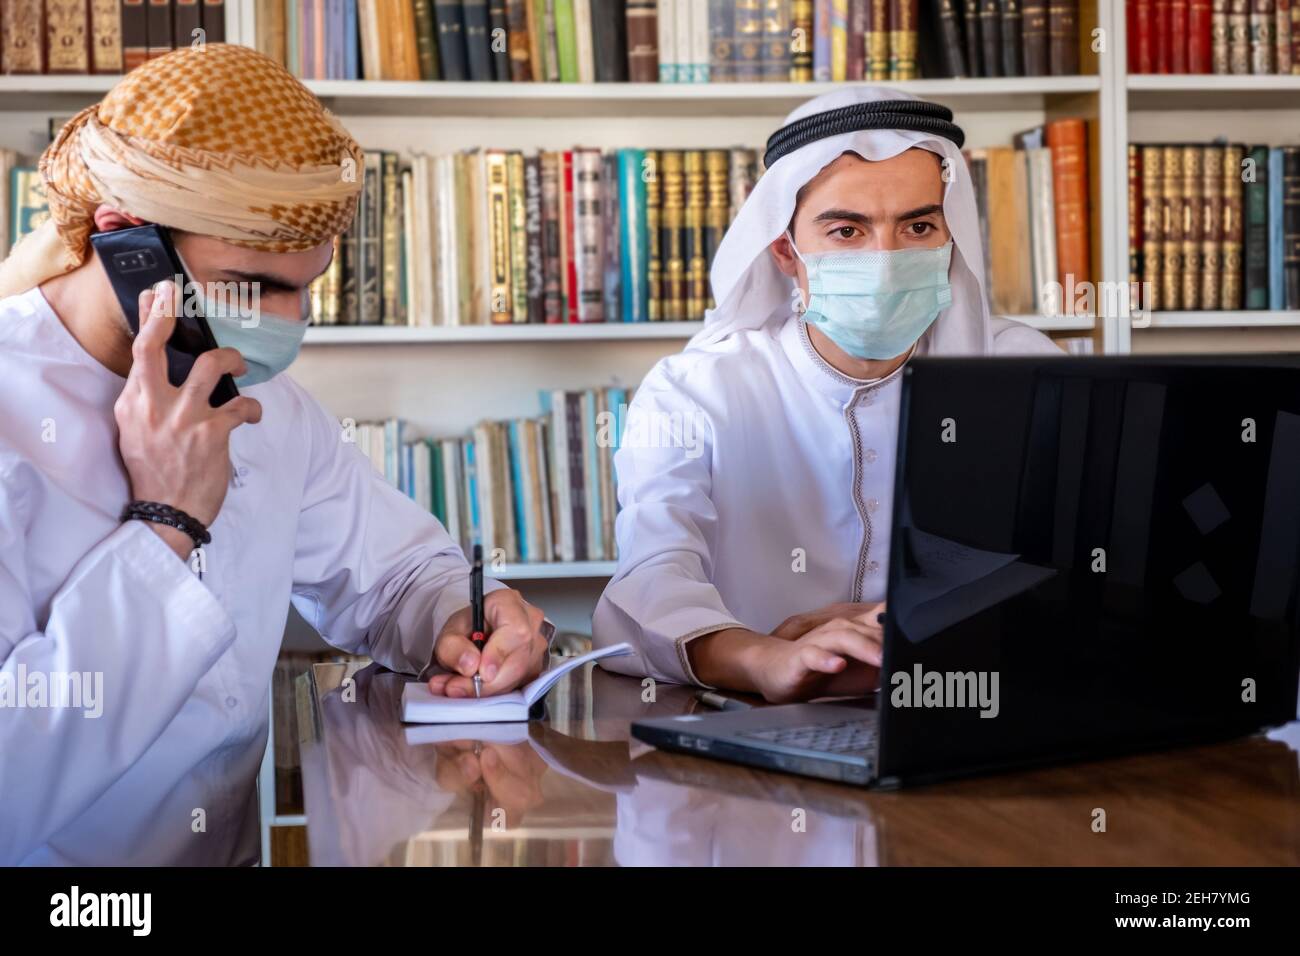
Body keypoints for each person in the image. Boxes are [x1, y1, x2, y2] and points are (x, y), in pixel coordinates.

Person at [0, 44, 550, 865]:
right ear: (125, 241)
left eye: (309, 284)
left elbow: (389, 574)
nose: (291, 320)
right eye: (252, 287)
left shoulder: (273, 409)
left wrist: (462, 614)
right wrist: (167, 522)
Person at [592, 87, 1060, 704]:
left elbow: (1082, 563)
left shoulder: (1024, 372)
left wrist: (892, 622)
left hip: (975, 712)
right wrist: (766, 659)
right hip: (752, 731)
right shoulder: (695, 392)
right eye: (847, 230)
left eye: (918, 226)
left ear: (950, 238)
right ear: (786, 250)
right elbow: (649, 583)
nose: (886, 260)